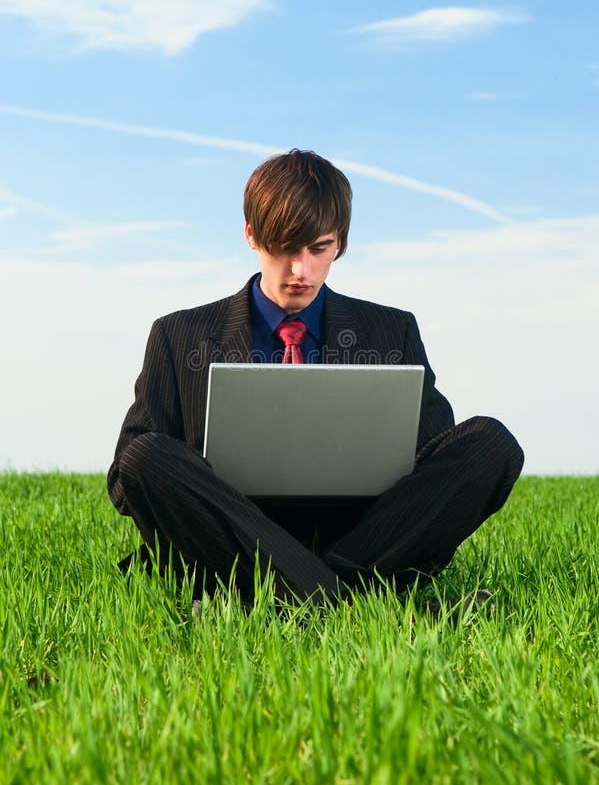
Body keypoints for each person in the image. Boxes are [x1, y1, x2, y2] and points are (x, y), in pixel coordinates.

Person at [107, 149, 524, 606]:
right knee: (144, 455)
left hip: (362, 538)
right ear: (251, 235)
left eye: (317, 248)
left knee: (492, 444)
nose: (300, 270)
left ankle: (293, 599)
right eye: (283, 248)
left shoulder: (392, 330)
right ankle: (357, 604)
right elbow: (125, 482)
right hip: (231, 539)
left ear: (340, 242)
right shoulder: (178, 334)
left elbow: (431, 462)